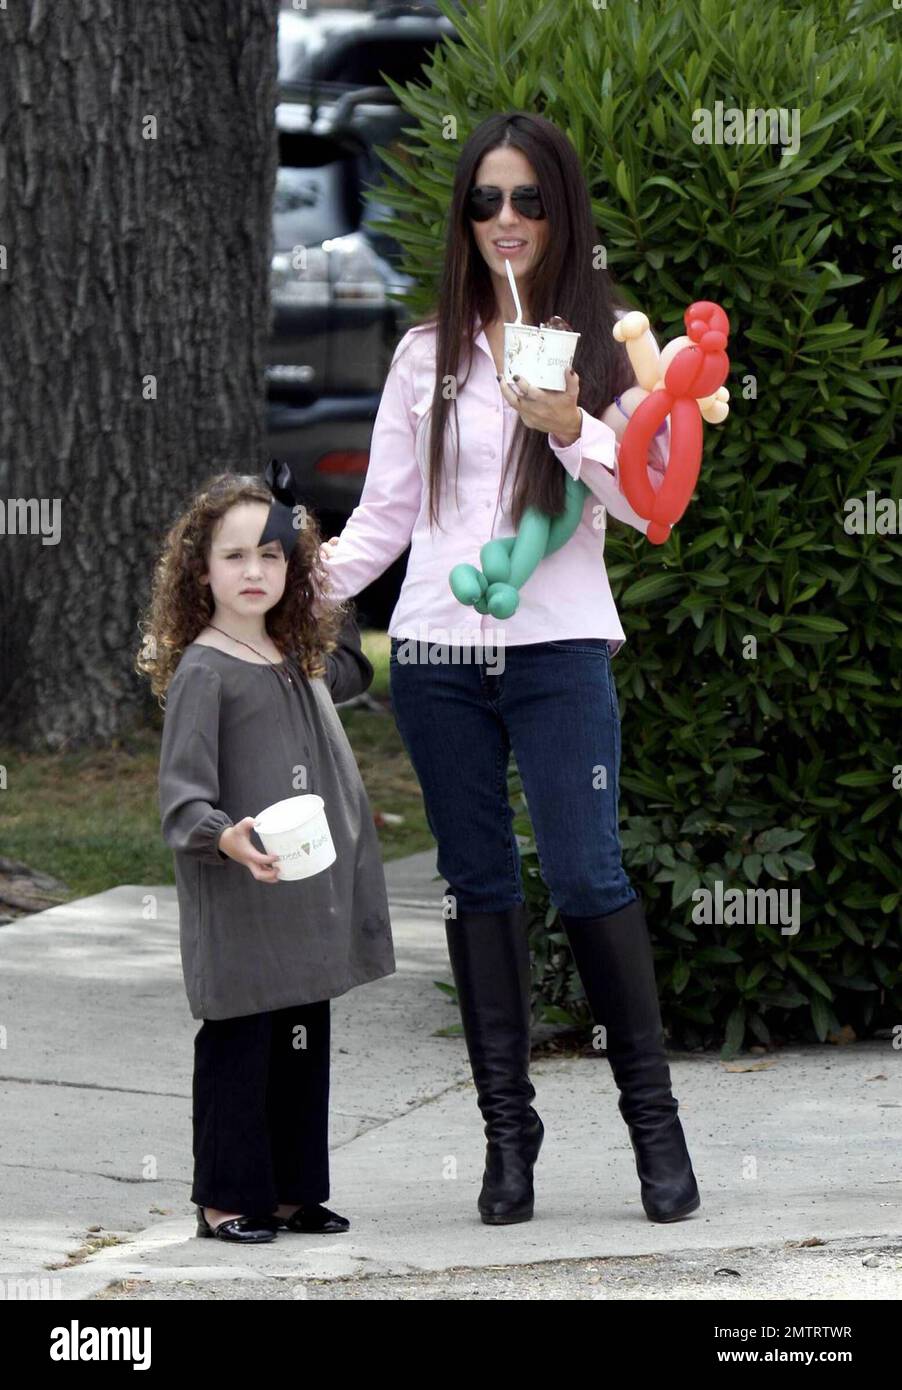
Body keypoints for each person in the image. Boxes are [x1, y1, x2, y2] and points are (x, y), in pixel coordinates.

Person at [319, 111, 700, 1226]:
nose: (504, 219)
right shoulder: (423, 352)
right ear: (463, 216)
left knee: (584, 874)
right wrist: (284, 600)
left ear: (560, 211)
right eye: (484, 200)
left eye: (527, 199)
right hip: (436, 651)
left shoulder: (604, 338)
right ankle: (506, 1132)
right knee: (474, 883)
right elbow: (383, 517)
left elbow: (650, 504)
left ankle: (652, 1122)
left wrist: (576, 425)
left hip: (559, 645)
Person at [136, 470, 395, 1243]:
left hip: (299, 893)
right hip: (240, 893)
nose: (254, 572)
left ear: (294, 570)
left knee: (301, 1037)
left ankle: (290, 1190)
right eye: (235, 556)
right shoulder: (204, 672)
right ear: (201, 570)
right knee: (239, 1044)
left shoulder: (294, 657)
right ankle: (225, 1198)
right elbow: (182, 798)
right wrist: (225, 837)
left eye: (273, 557)